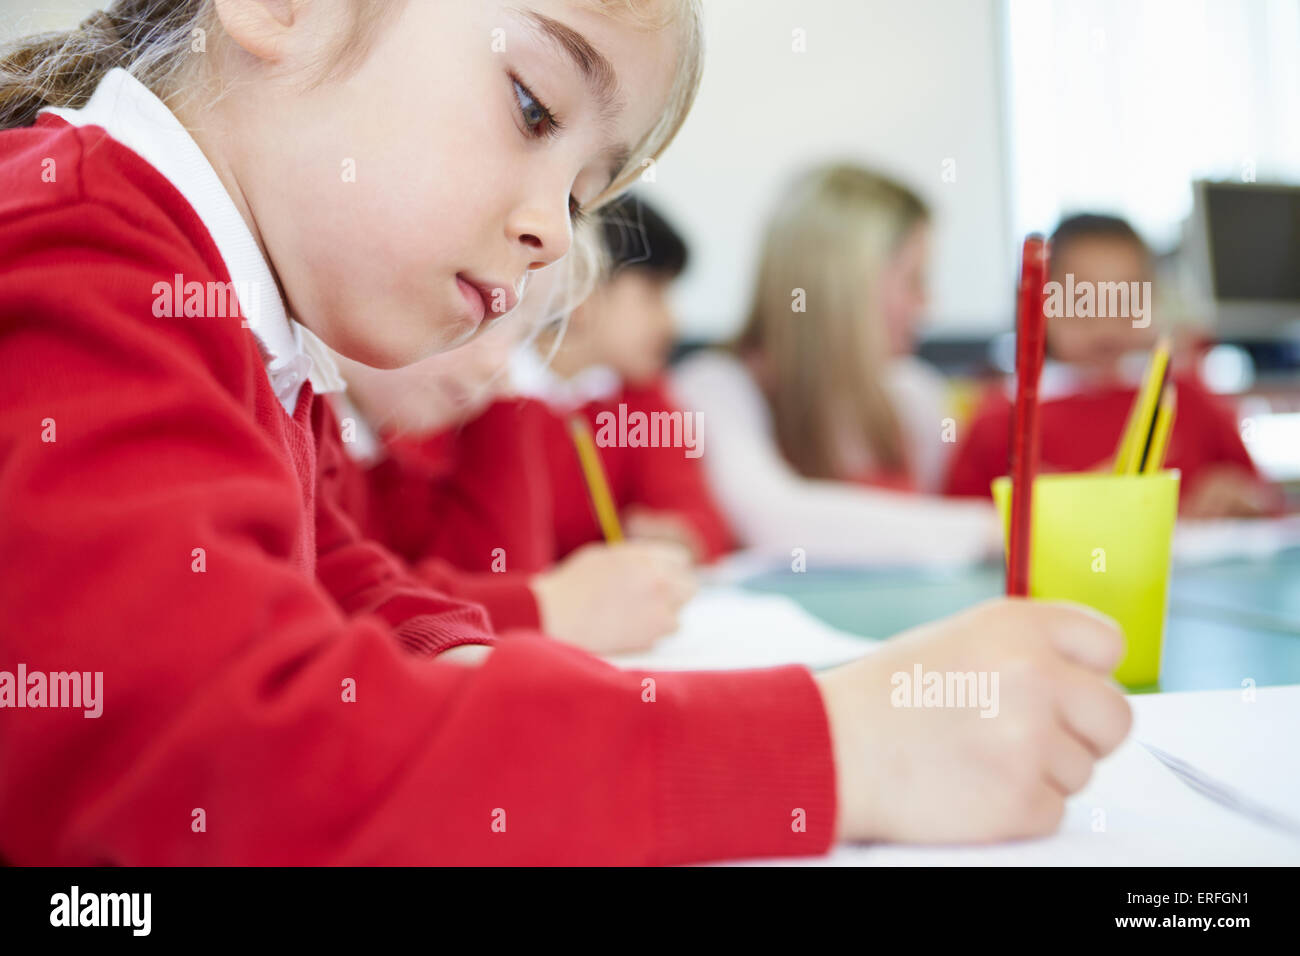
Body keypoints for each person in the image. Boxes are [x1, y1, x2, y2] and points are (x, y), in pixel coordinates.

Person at [0, 0, 1128, 865]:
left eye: (585, 190)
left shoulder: (236, 324)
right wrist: (839, 747)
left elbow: (348, 592)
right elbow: (223, 769)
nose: (551, 231)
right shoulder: (91, 264)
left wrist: (491, 679)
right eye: (532, 106)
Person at [672, 163, 999, 565]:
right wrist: (988, 528)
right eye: (914, 280)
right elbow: (775, 523)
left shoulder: (915, 394)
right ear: (843, 286)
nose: (928, 304)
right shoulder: (712, 389)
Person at [944, 213, 1281, 518]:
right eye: (1081, 299)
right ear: (1039, 303)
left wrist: (1244, 498)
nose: (1105, 324)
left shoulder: (1187, 398)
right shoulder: (1001, 418)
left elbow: (1267, 502)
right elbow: (955, 527)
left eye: (1126, 299)